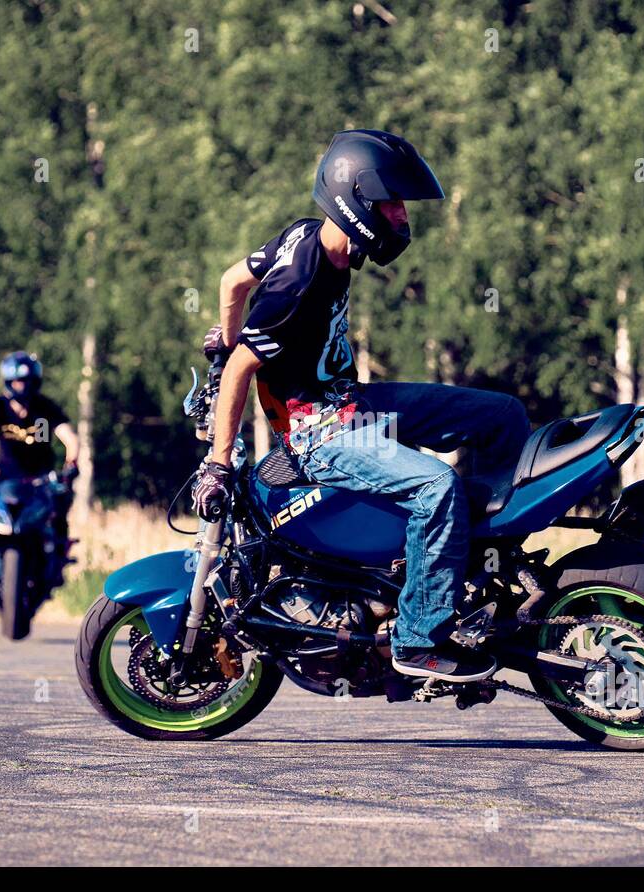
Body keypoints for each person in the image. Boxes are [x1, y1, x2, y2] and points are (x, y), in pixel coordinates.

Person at [194, 130, 530, 682]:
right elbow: (240, 371)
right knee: (435, 487)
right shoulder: (298, 285)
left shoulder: (313, 236)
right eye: (392, 204)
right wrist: (219, 460)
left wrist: (227, 336)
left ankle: (477, 556)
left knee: (502, 415)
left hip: (353, 405)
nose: (402, 217)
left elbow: (232, 282)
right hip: (318, 433)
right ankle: (419, 639)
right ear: (355, 201)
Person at [0, 351, 80, 544]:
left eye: (26, 381)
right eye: (18, 381)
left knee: (58, 510)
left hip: (41, 481)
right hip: (4, 480)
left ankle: (56, 559)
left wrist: (71, 465)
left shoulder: (45, 407)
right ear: (9, 381)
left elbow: (70, 438)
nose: (22, 386)